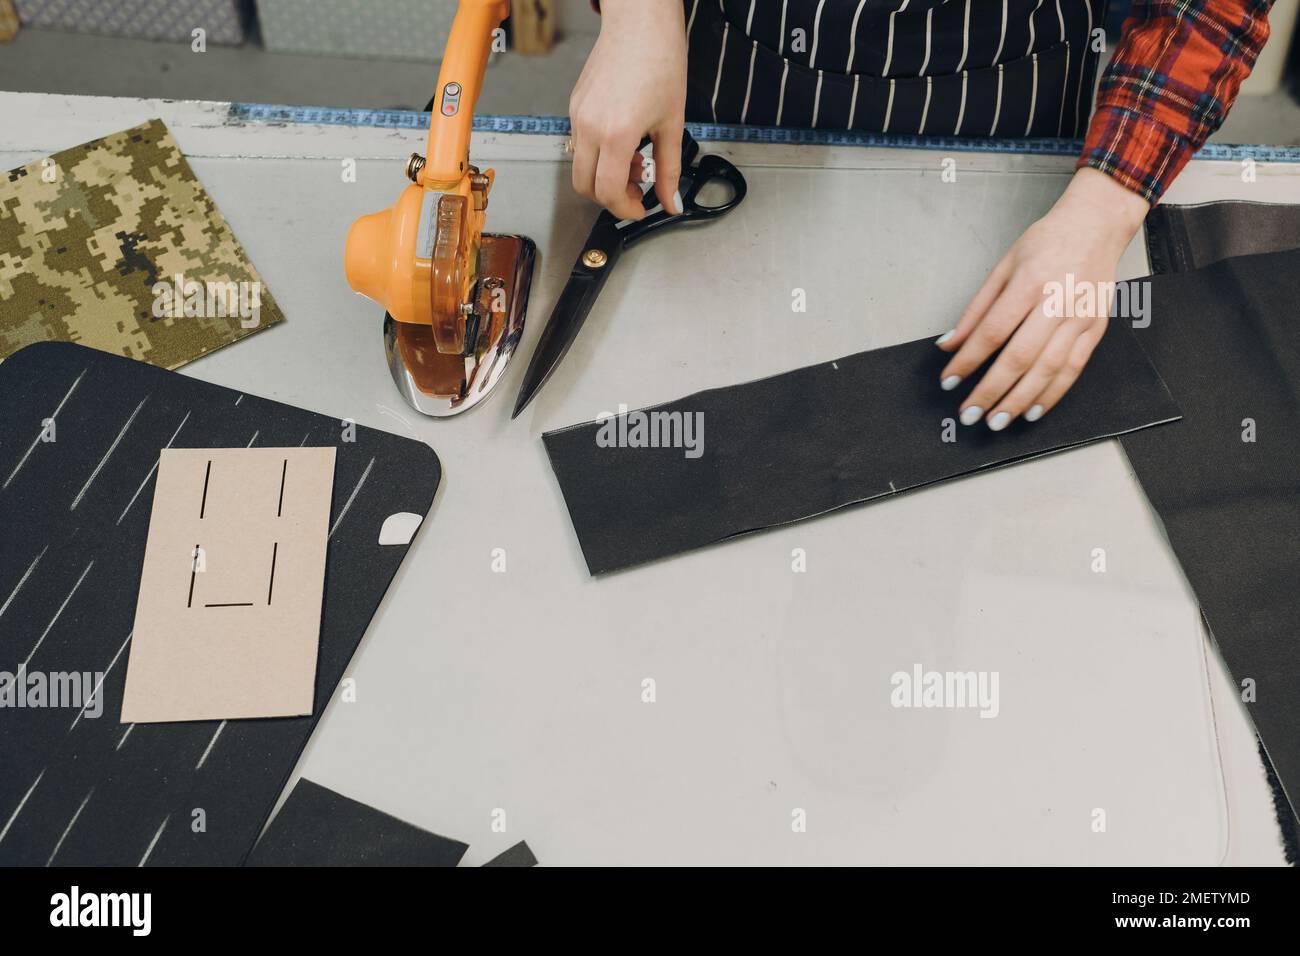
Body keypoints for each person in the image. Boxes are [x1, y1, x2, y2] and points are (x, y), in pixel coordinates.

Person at [568, 0, 1273, 429]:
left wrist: (1107, 202)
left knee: (927, 449)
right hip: (737, 54)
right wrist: (639, 12)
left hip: (1004, 88)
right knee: (677, 371)